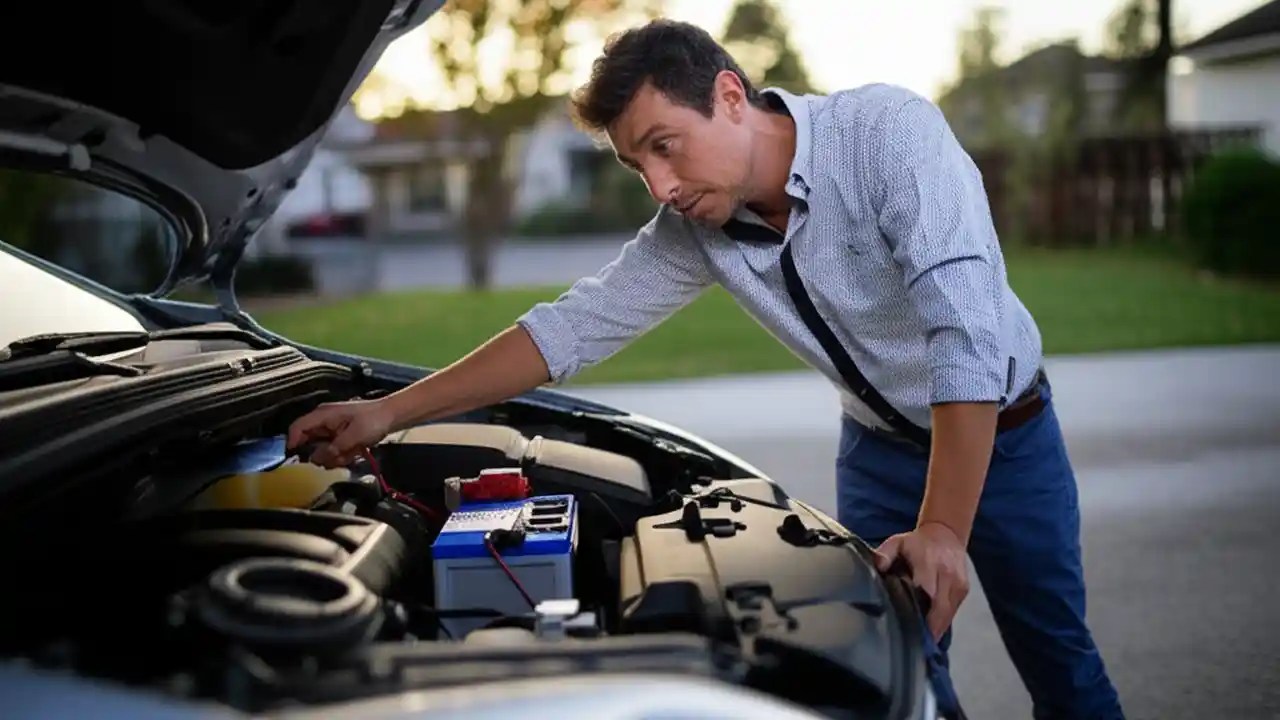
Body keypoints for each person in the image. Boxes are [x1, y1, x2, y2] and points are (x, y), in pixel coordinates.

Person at [287, 18, 1124, 720]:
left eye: (665, 146)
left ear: (730, 96)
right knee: (899, 674)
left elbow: (964, 330)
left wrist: (943, 527)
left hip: (1003, 437)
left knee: (1058, 661)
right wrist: (387, 414)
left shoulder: (888, 138)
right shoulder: (695, 227)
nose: (658, 185)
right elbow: (569, 329)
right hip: (876, 452)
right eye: (635, 164)